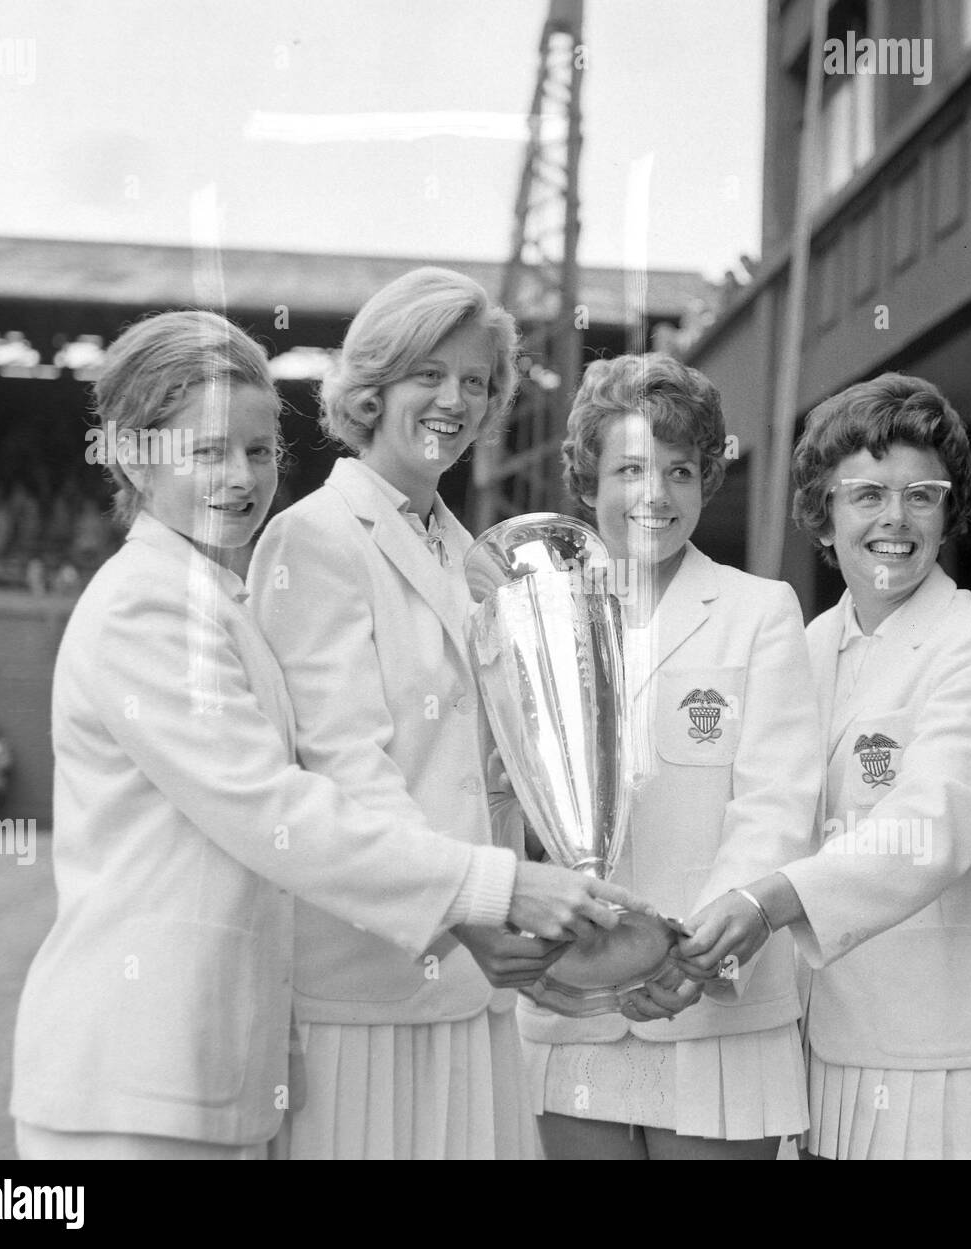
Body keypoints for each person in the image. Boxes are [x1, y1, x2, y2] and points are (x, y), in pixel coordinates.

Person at [11, 308, 626, 1161]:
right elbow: (279, 811)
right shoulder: (146, 606)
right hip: (133, 1078)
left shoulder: (212, 596)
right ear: (131, 455)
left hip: (209, 1072)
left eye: (260, 450)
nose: (241, 478)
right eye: (207, 451)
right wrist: (496, 889)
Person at [248, 268, 637, 1160]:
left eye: (476, 381)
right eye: (429, 373)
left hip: (474, 988)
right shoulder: (314, 536)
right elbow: (347, 768)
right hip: (369, 990)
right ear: (373, 387)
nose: (455, 401)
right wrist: (470, 914)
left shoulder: (467, 554)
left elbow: (493, 770)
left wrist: (552, 900)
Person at [679, 372, 971, 1159]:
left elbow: (929, 827)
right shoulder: (805, 647)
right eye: (867, 494)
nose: (895, 519)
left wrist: (768, 902)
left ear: (948, 511)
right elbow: (755, 810)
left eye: (922, 495)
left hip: (946, 1061)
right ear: (824, 510)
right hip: (819, 1049)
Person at [515, 353, 822, 1160]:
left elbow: (777, 804)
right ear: (588, 482)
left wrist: (696, 953)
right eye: (630, 469)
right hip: (573, 1001)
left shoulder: (760, 611)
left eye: (680, 470)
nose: (655, 494)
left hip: (712, 1002)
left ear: (706, 480)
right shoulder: (536, 617)